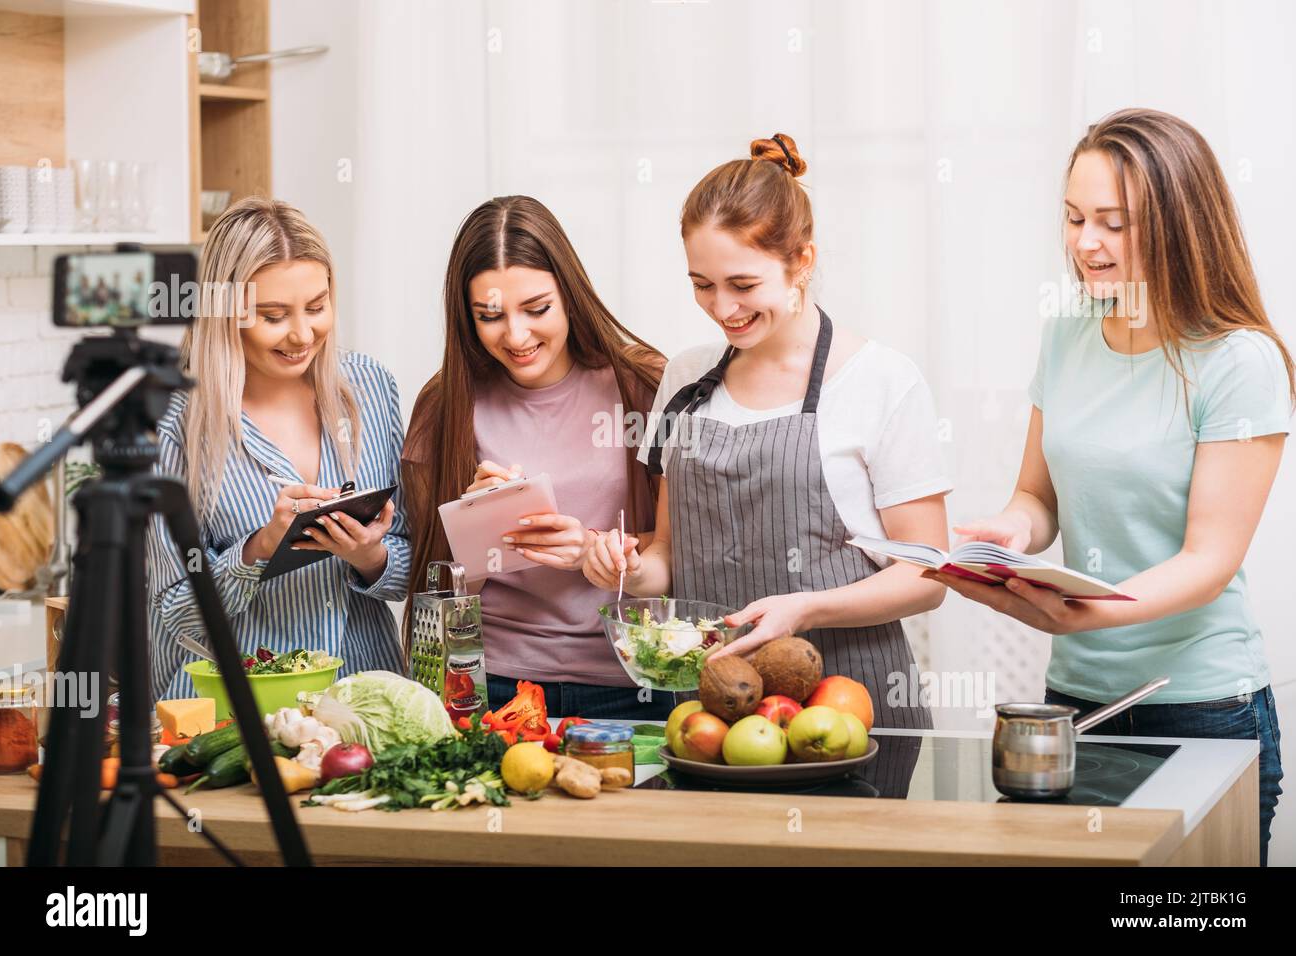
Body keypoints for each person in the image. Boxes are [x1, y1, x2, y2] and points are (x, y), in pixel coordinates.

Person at [926, 109, 1292, 864]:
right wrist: (1012, 533)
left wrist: (1084, 614)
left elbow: (1208, 560)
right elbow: (1039, 497)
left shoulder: (1239, 361)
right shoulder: (1068, 330)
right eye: (1074, 218)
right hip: (1074, 708)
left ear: (1178, 224)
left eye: (1112, 223)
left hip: (1199, 710)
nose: (1085, 243)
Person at [585, 134, 951, 728]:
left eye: (743, 285)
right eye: (702, 284)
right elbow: (668, 560)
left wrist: (805, 609)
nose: (723, 308)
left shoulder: (881, 380)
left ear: (801, 261)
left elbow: (928, 576)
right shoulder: (685, 376)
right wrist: (621, 570)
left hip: (847, 704)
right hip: (713, 708)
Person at [402, 195, 672, 719]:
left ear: (570, 295)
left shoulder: (643, 385)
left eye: (537, 309)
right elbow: (428, 586)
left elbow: (676, 553)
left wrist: (590, 550)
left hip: (631, 682)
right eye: (491, 316)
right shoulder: (445, 406)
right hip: (493, 685)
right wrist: (473, 532)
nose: (517, 336)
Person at [146, 197, 410, 701]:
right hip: (235, 708)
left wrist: (370, 554)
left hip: (363, 701)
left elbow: (414, 563)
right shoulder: (172, 421)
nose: (302, 334)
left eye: (316, 307)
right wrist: (259, 549)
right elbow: (174, 609)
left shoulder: (370, 387)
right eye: (272, 316)